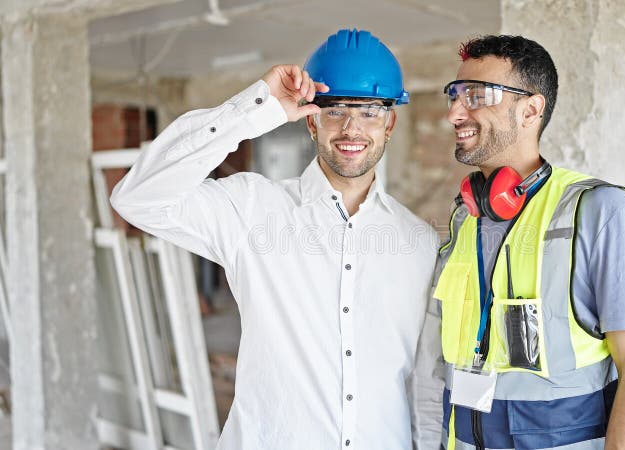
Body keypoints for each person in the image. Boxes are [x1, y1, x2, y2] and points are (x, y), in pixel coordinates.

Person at [111, 28, 439, 450]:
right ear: (311, 121)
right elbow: (137, 198)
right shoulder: (252, 210)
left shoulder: (419, 243)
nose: (351, 128)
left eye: (370, 112)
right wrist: (256, 108)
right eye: (334, 110)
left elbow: (422, 383)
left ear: (389, 123)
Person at [426, 35, 625, 450]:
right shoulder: (465, 217)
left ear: (531, 110)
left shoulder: (602, 211)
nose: (454, 113)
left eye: (476, 96)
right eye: (454, 95)